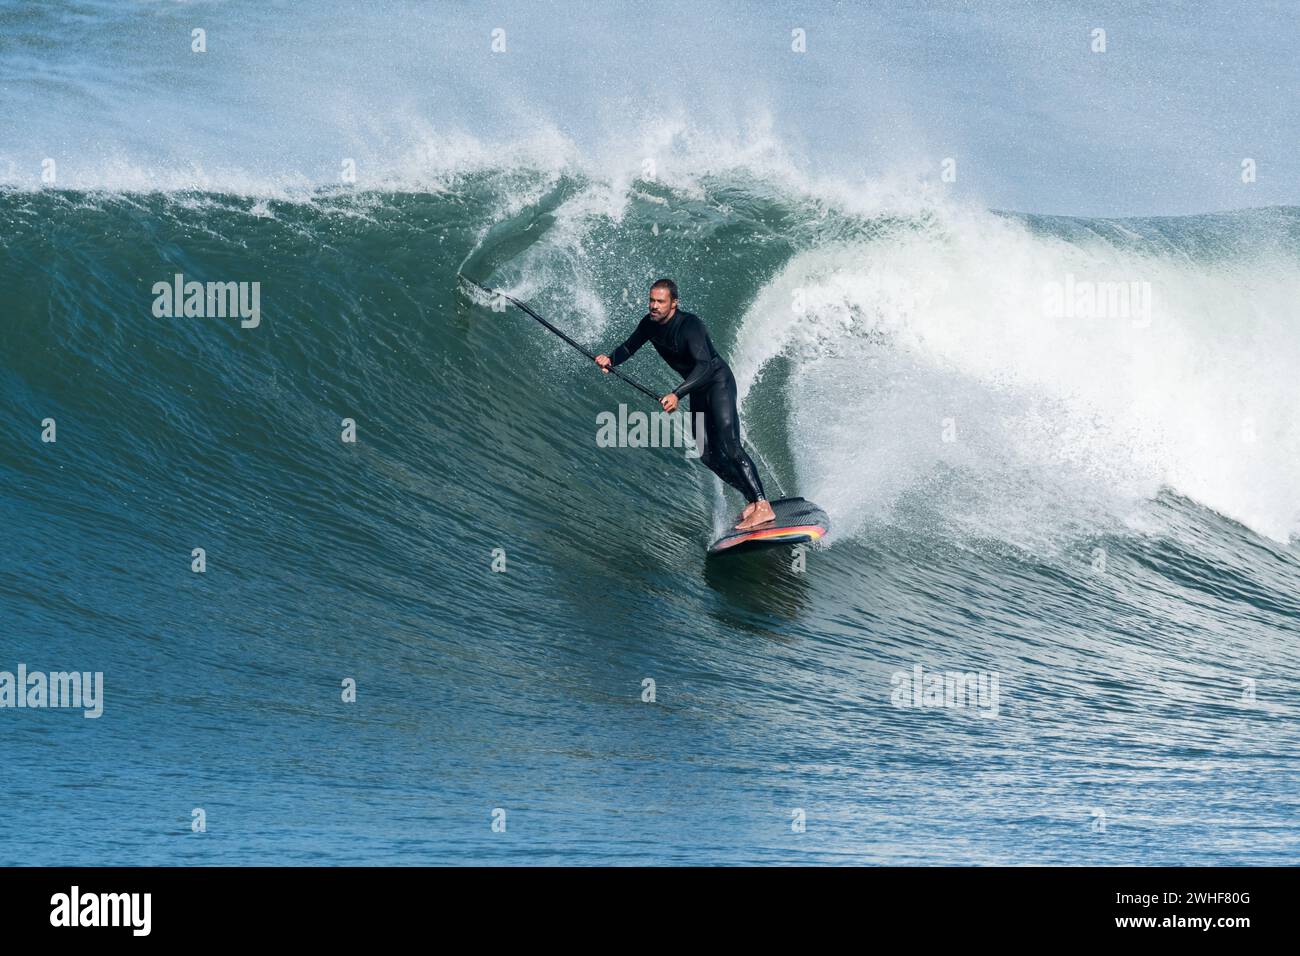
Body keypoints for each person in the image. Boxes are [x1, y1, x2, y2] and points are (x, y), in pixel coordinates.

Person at [596, 279, 776, 531]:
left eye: (660, 301)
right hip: (697, 391)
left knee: (730, 445)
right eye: (652, 300)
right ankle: (753, 501)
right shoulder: (649, 324)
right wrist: (611, 359)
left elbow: (704, 365)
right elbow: (629, 346)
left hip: (717, 383)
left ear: (674, 303)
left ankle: (763, 505)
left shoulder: (690, 325)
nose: (654, 306)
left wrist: (677, 393)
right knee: (708, 455)